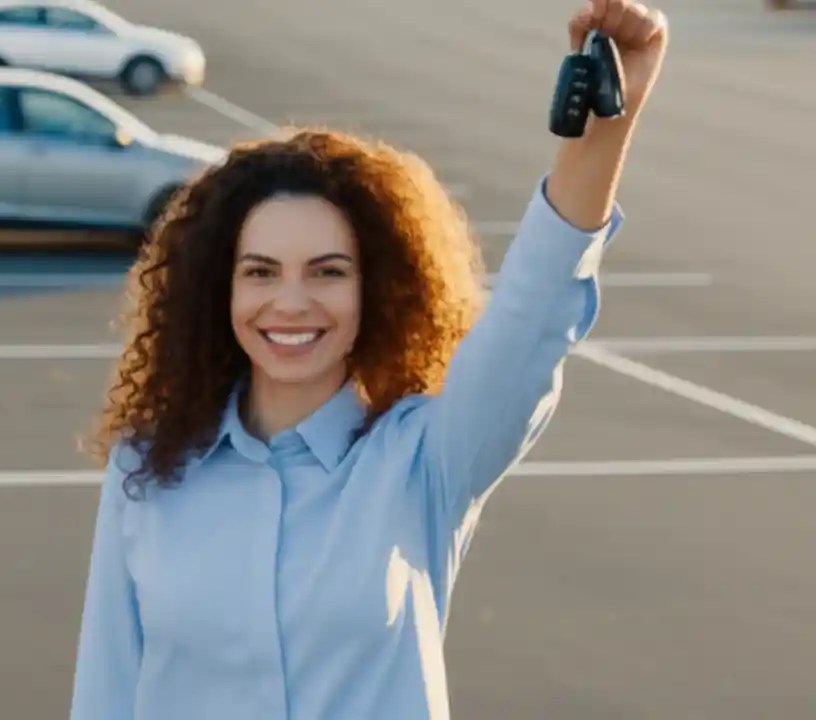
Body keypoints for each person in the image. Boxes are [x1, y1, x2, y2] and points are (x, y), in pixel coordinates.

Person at [69, 1, 668, 718]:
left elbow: (532, 316)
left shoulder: (424, 460)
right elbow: (106, 688)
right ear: (218, 289)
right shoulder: (145, 469)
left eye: (328, 272)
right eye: (260, 272)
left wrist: (606, 130)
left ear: (375, 289)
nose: (291, 303)